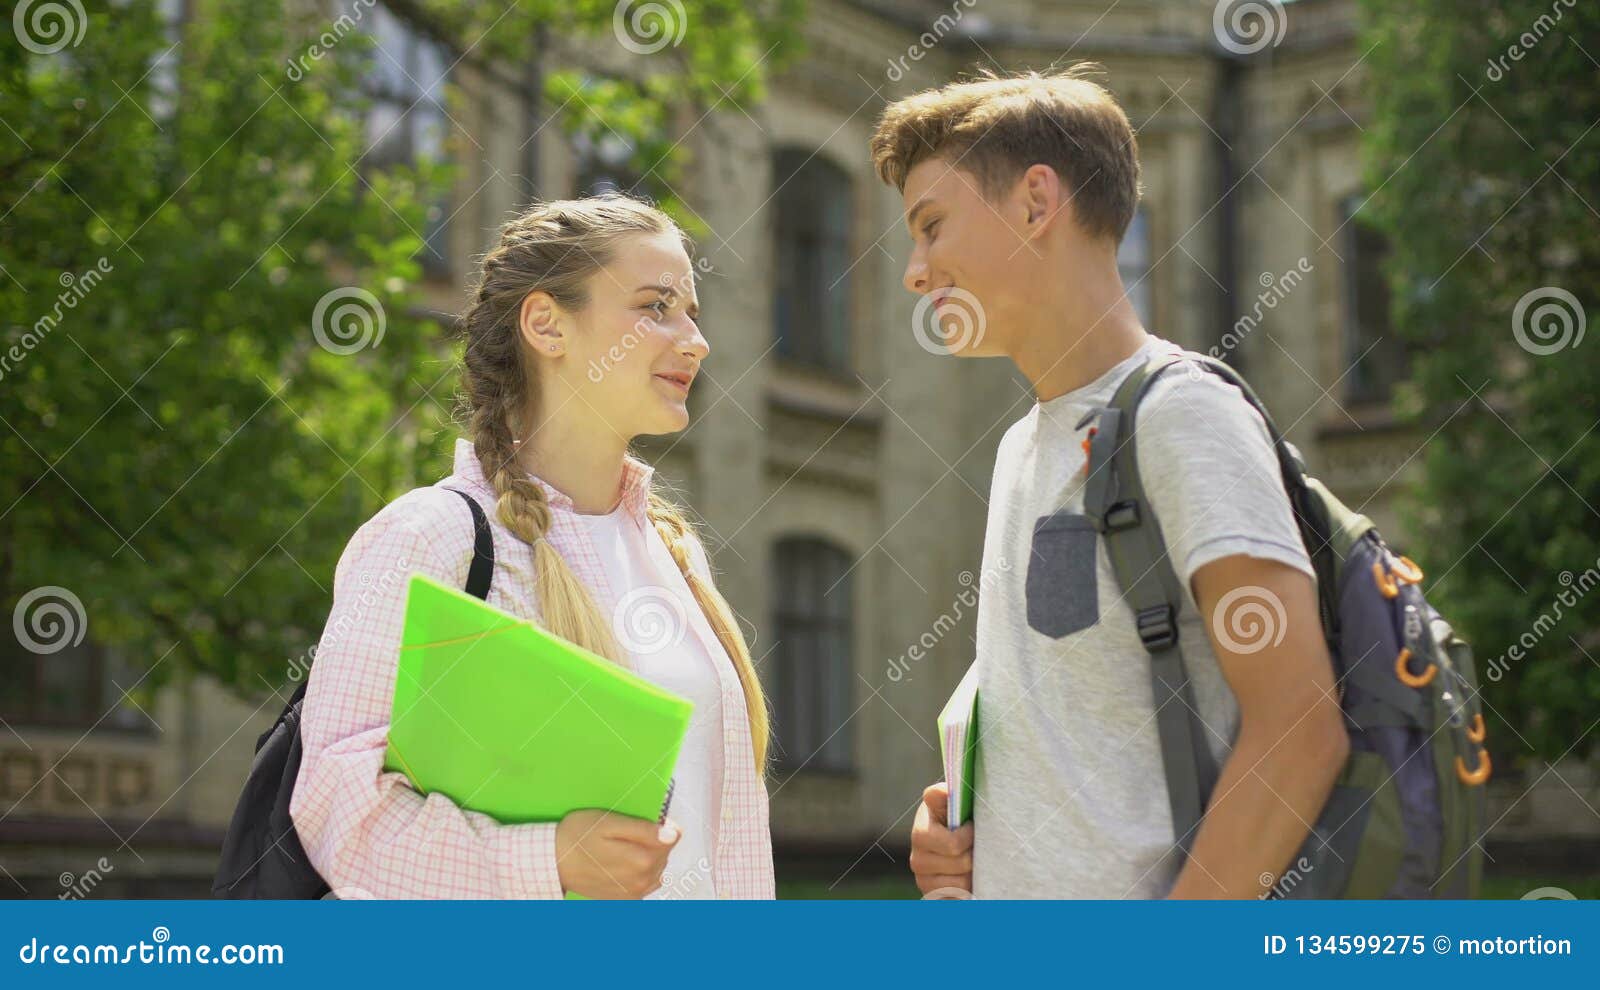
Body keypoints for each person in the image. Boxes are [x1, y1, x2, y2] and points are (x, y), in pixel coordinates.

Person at [871, 68, 1349, 898]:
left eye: (932, 226)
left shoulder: (1183, 414)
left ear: (1034, 202)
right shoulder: (1024, 445)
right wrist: (967, 833)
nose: (916, 271)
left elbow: (1300, 730)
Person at [289, 195, 774, 899]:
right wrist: (549, 860)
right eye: (655, 307)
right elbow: (339, 812)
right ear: (547, 324)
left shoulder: (676, 555)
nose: (694, 340)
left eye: (691, 313)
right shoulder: (434, 536)